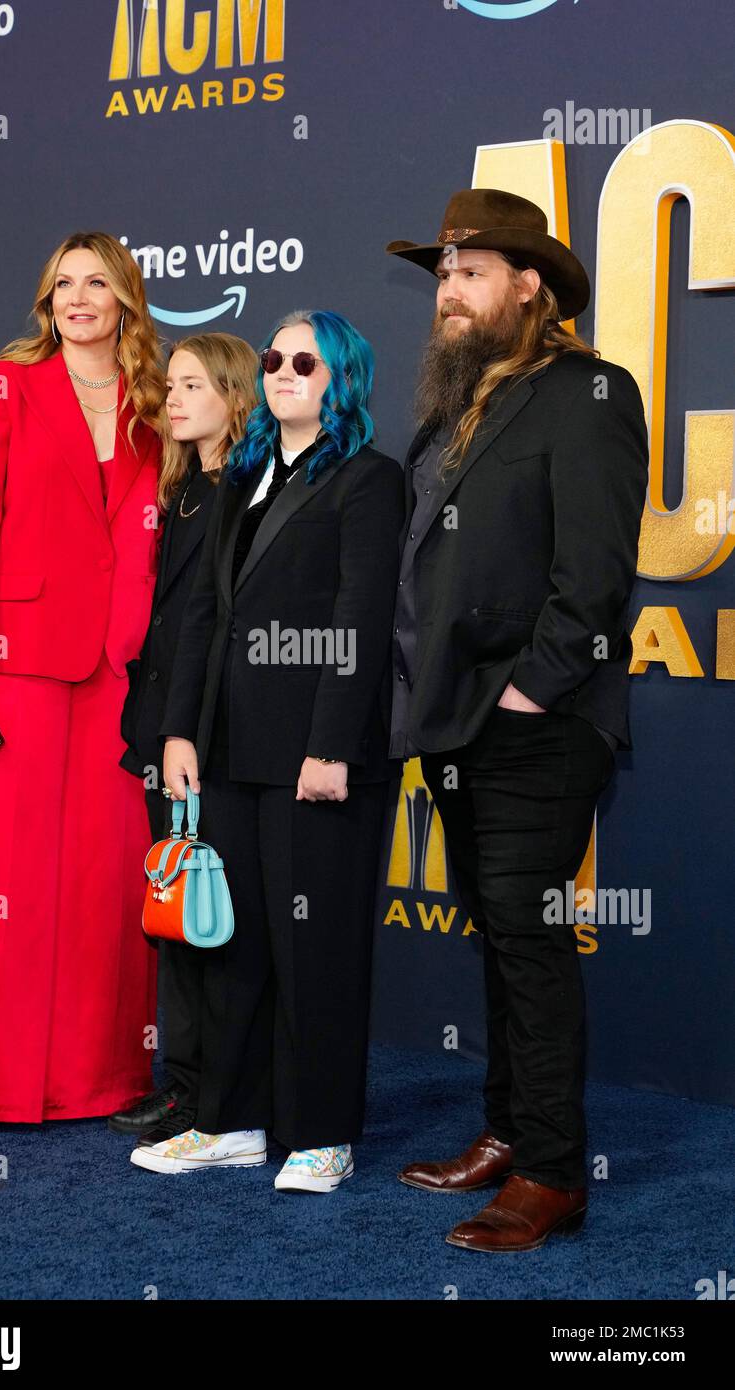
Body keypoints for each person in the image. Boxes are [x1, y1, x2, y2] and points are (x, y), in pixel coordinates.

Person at [386, 189, 648, 1249]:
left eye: (471, 271)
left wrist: (525, 691)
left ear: (529, 285)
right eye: (442, 273)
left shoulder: (587, 392)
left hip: (538, 719)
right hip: (454, 726)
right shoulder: (459, 403)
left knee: (530, 941)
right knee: (496, 935)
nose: (448, 290)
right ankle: (503, 1130)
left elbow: (592, 577)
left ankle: (549, 1169)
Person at [129, 309, 404, 1192]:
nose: (285, 371)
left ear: (342, 381)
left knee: (314, 950)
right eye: (277, 358)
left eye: (307, 362)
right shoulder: (242, 477)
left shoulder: (369, 481)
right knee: (232, 950)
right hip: (229, 751)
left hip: (319, 760)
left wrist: (328, 750)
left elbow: (360, 618)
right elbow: (204, 616)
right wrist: (180, 732)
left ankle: (323, 1133)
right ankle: (231, 1120)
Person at [0, 232, 166, 1124]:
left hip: (120, 669)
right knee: (1, 876)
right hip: (15, 662)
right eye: (63, 285)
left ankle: (101, 1078)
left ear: (126, 296)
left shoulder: (156, 398)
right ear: (46, 300)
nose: (78, 299)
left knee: (104, 877)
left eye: (97, 283)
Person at [109, 332, 259, 1143]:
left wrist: (180, 734)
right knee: (173, 913)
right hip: (161, 728)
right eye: (170, 384)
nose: (171, 398)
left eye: (192, 385)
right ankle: (186, 1087)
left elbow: (212, 629)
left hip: (198, 738)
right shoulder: (186, 488)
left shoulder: (240, 492)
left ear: (235, 396)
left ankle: (212, 1100)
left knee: (207, 917)